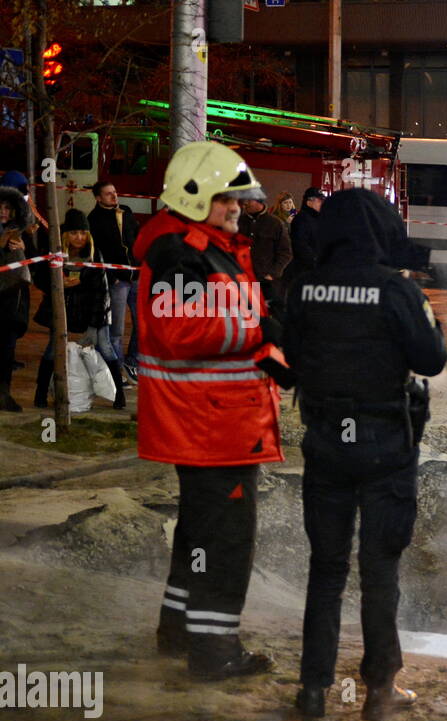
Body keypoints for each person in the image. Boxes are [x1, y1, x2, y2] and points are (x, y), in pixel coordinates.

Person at [282, 188, 447, 721]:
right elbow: (432, 359)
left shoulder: (304, 288)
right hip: (385, 448)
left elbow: (288, 364)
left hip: (326, 444)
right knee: (380, 572)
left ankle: (312, 690)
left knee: (325, 570)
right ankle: (380, 691)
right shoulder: (395, 290)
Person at [133, 141, 290, 680]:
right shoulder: (178, 253)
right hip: (209, 423)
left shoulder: (203, 246)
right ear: (194, 196)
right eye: (226, 199)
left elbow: (223, 322)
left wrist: (273, 356)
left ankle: (179, 629)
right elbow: (181, 329)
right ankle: (214, 650)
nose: (236, 208)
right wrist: (258, 329)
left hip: (217, 417)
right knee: (225, 537)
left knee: (202, 529)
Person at [32, 209, 119, 409]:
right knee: (53, 349)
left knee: (105, 346)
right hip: (63, 309)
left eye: (82, 233)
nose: (79, 237)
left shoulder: (95, 254)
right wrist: (58, 283)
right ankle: (40, 393)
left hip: (93, 309)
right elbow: (40, 278)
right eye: (73, 233)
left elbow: (102, 292)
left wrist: (95, 324)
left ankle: (119, 394)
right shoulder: (56, 253)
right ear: (65, 235)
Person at [87, 181, 141, 381]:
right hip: (117, 279)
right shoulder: (93, 220)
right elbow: (95, 253)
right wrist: (111, 277)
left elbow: (136, 237)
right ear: (98, 198)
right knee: (116, 330)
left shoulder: (126, 212)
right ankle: (117, 372)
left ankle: (132, 362)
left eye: (115, 192)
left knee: (143, 322)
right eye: (108, 194)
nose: (114, 196)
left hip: (137, 276)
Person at [0, 185, 36, 412]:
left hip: (13, 298)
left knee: (7, 349)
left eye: (7, 208)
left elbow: (35, 260)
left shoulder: (19, 233)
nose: (3, 211)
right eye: (0, 207)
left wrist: (25, 247)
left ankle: (4, 395)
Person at [238, 194, 293, 310]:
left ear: (259, 202)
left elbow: (286, 252)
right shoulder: (238, 222)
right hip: (241, 281)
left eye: (249, 200)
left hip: (266, 283)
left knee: (265, 320)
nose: (245, 203)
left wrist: (272, 274)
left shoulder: (275, 223)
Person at [286, 186, 325, 282]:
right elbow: (300, 245)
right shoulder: (301, 219)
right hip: (304, 271)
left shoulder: (320, 219)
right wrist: (316, 260)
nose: (322, 203)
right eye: (319, 200)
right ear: (309, 202)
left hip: (317, 270)